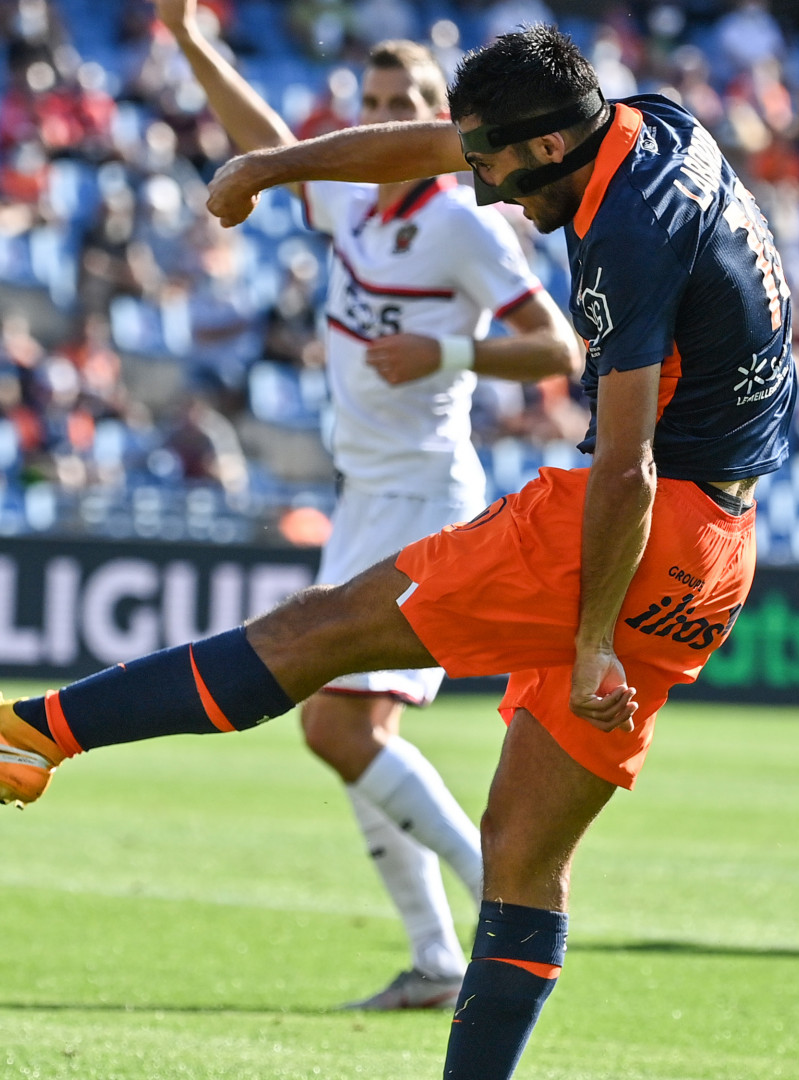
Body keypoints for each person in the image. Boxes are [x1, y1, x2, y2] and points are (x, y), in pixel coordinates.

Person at [0, 27, 792, 1079]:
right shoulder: (644, 127)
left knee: (313, 639)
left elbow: (626, 467)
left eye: (492, 171)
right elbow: (435, 152)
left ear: (544, 149)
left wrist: (592, 640)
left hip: (635, 521)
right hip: (718, 554)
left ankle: (34, 736)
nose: (488, 194)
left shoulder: (624, 232)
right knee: (524, 855)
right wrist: (276, 163)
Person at [150, 2, 587, 1011]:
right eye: (375, 102)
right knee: (347, 736)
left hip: (428, 494)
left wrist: (446, 350)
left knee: (340, 732)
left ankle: (504, 909)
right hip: (364, 497)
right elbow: (274, 149)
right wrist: (190, 43)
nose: (387, 117)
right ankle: (439, 959)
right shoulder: (355, 206)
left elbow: (558, 348)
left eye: (407, 105)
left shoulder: (458, 225)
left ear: (442, 123)